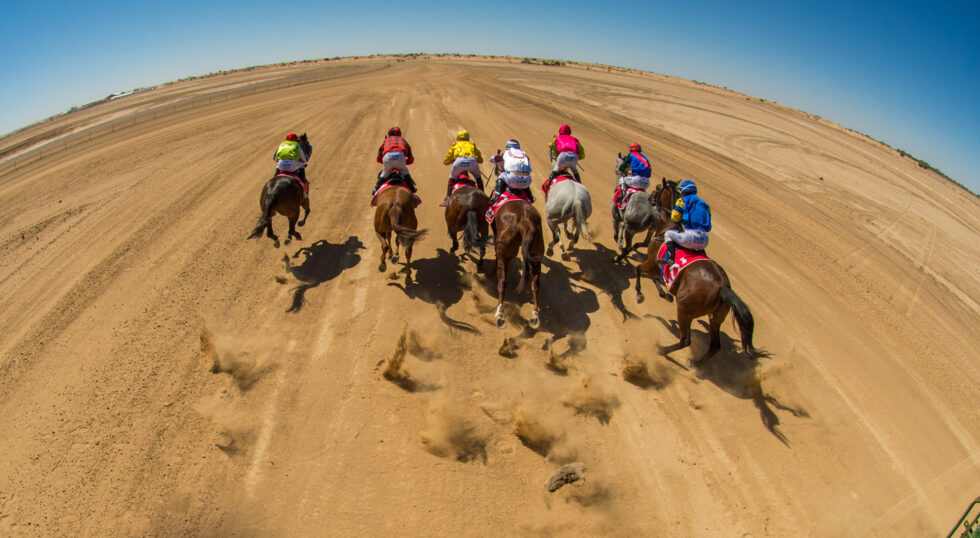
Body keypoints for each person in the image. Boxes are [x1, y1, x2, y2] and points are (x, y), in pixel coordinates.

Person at [659, 180, 711, 267]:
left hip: (690, 238)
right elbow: (708, 226)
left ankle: (670, 259)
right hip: (704, 240)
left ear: (683, 192)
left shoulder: (682, 200)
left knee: (668, 234)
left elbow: (674, 217)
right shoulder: (705, 205)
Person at [440, 129, 484, 206]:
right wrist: (478, 161)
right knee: (478, 178)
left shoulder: (455, 145)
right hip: (472, 162)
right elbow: (479, 158)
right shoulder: (472, 145)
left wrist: (446, 162)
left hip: (459, 162)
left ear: (458, 137)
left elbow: (448, 156)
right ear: (467, 137)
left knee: (452, 178)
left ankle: (447, 197)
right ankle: (483, 196)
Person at [373, 126, 417, 194]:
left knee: (385, 173)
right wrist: (405, 162)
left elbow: (378, 159)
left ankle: (375, 189)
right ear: (400, 134)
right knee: (404, 171)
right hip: (400, 157)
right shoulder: (403, 141)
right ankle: (412, 188)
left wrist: (388, 163)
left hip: (387, 158)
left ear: (388, 134)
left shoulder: (385, 141)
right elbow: (411, 159)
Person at [488, 139, 535, 204]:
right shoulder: (524, 154)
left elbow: (494, 159)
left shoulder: (507, 153)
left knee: (502, 175)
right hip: (527, 181)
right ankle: (530, 197)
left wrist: (492, 158)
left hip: (512, 180)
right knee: (523, 176)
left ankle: (496, 195)